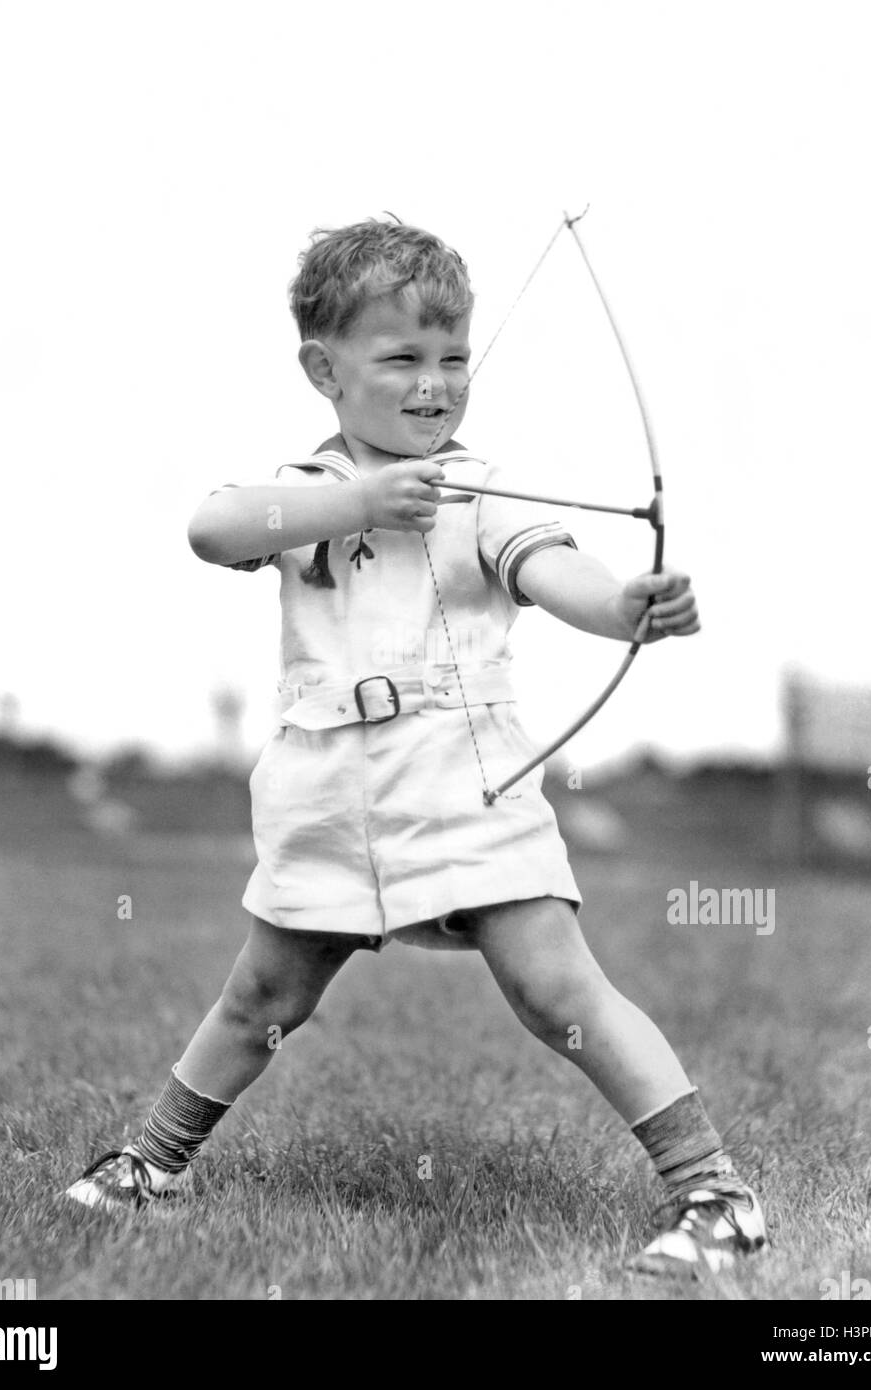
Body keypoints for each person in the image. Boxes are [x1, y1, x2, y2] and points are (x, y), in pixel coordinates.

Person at [66, 217, 766, 1276]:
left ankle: (713, 1193)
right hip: (324, 795)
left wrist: (627, 606)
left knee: (554, 988)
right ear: (324, 369)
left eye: (452, 360)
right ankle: (149, 1164)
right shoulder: (303, 487)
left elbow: (552, 573)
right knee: (263, 995)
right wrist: (355, 498)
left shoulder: (477, 491)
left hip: (463, 783)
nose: (433, 384)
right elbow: (213, 528)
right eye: (400, 359)